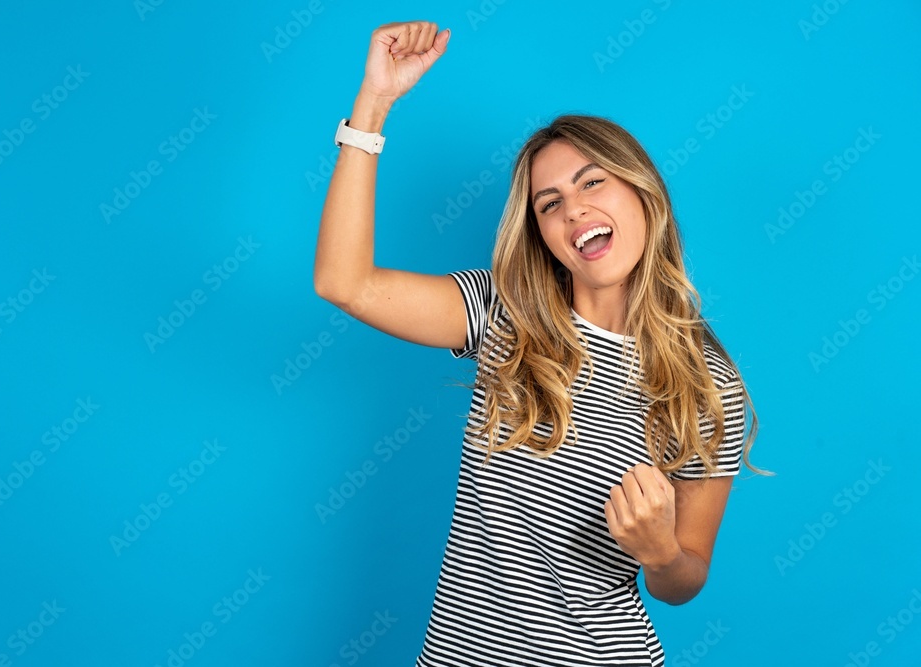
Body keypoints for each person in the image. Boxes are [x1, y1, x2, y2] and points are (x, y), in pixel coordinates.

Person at [314, 20, 764, 667]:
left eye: (591, 182)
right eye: (548, 204)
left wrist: (660, 550)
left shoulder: (707, 380)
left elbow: (684, 578)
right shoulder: (506, 313)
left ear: (643, 192)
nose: (573, 209)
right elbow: (344, 281)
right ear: (543, 236)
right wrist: (374, 103)